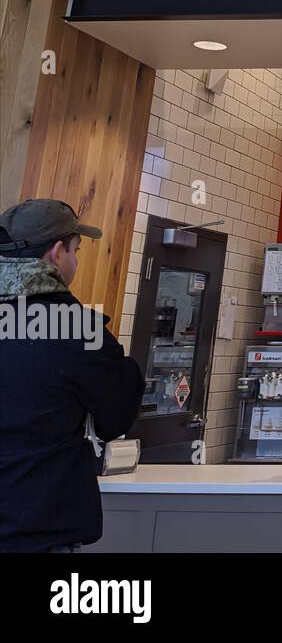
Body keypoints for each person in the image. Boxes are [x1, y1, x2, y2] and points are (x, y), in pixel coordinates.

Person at [0, 199, 144, 553]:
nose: (76, 261)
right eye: (76, 250)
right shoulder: (76, 329)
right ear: (56, 252)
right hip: (34, 530)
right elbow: (116, 417)